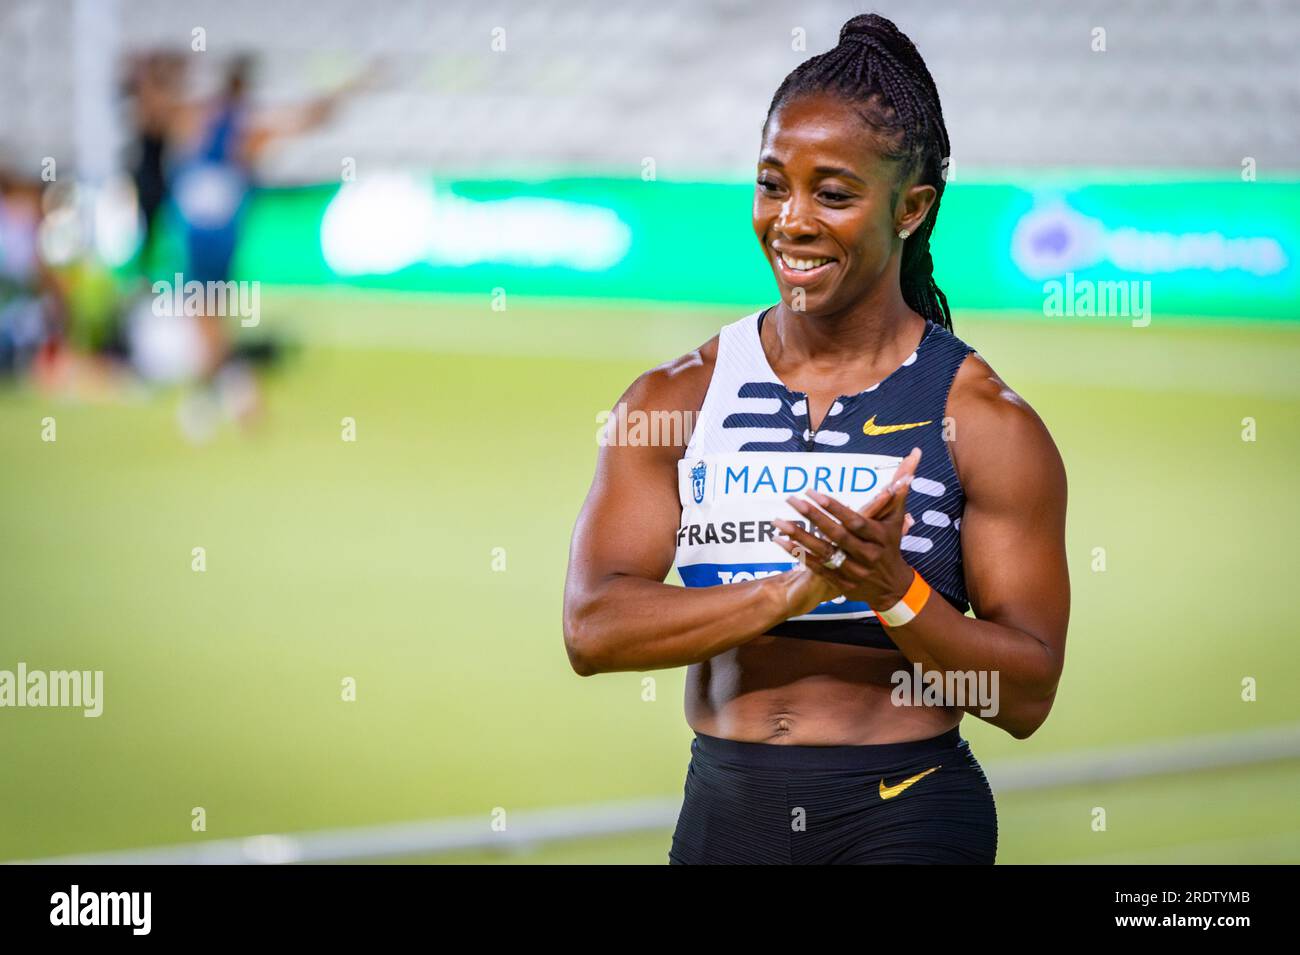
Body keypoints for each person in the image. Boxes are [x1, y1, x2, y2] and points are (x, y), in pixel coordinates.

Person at [562, 14, 1069, 865]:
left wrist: (891, 586)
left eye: (832, 193)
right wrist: (786, 593)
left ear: (912, 208)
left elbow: (1024, 693)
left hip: (907, 816)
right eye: (772, 185)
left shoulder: (985, 421)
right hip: (725, 815)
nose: (791, 221)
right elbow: (593, 627)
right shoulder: (675, 398)